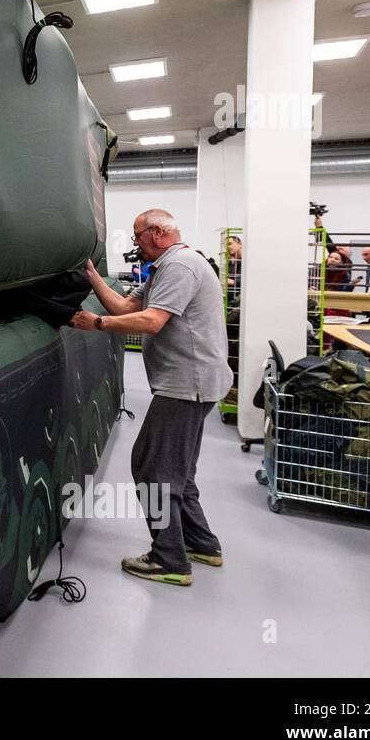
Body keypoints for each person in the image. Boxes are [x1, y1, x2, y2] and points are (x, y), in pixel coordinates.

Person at [70, 209, 233, 587]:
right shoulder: (164, 267)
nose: (136, 245)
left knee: (152, 468)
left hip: (185, 385)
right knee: (178, 471)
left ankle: (169, 559)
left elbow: (152, 321)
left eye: (138, 237)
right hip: (189, 383)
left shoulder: (181, 267)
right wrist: (92, 275)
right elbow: (127, 307)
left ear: (158, 232)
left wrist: (96, 324)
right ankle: (202, 544)